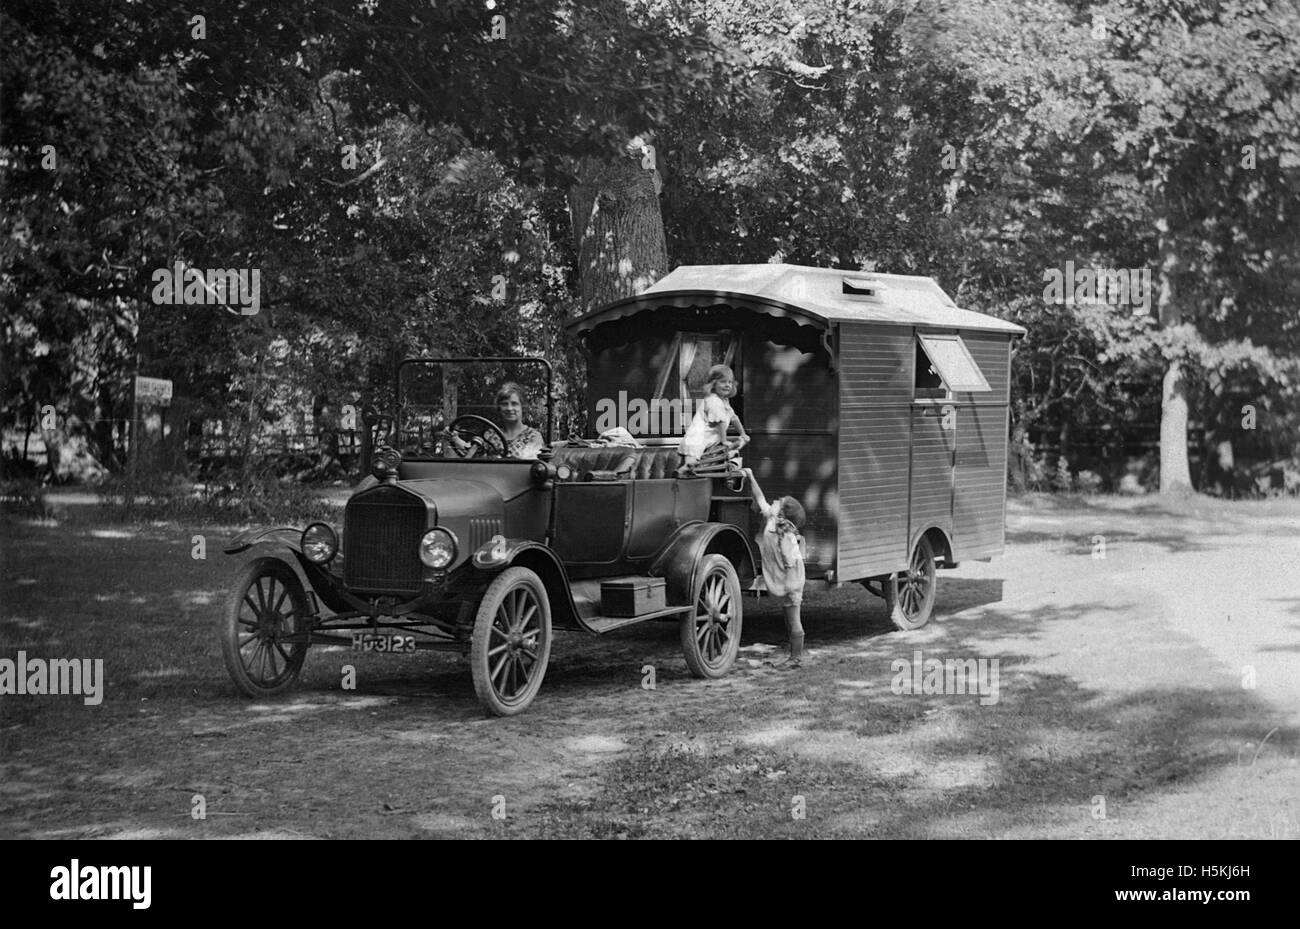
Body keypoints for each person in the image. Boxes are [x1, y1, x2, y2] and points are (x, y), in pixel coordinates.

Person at [741, 467, 807, 669]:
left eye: (779, 502)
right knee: (788, 615)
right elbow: (760, 498)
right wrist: (751, 476)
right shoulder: (772, 518)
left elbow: (790, 563)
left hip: (792, 579)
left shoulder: (785, 536)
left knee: (794, 617)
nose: (775, 501)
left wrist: (788, 587)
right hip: (784, 577)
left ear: (783, 514)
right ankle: (793, 654)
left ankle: (796, 658)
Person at [677, 364, 749, 471]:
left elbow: (734, 418)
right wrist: (724, 440)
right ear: (713, 384)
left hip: (709, 440)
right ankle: (679, 476)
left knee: (736, 444)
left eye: (730, 382)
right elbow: (719, 422)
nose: (727, 385)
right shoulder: (713, 401)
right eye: (723, 382)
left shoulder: (724, 401)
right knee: (691, 465)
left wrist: (743, 433)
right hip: (697, 439)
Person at [447, 381, 545, 459]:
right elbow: (471, 453)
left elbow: (531, 464)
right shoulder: (490, 435)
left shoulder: (533, 436)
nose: (509, 408)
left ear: (522, 407)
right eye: (505, 404)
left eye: (514, 404)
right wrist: (455, 438)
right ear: (499, 408)